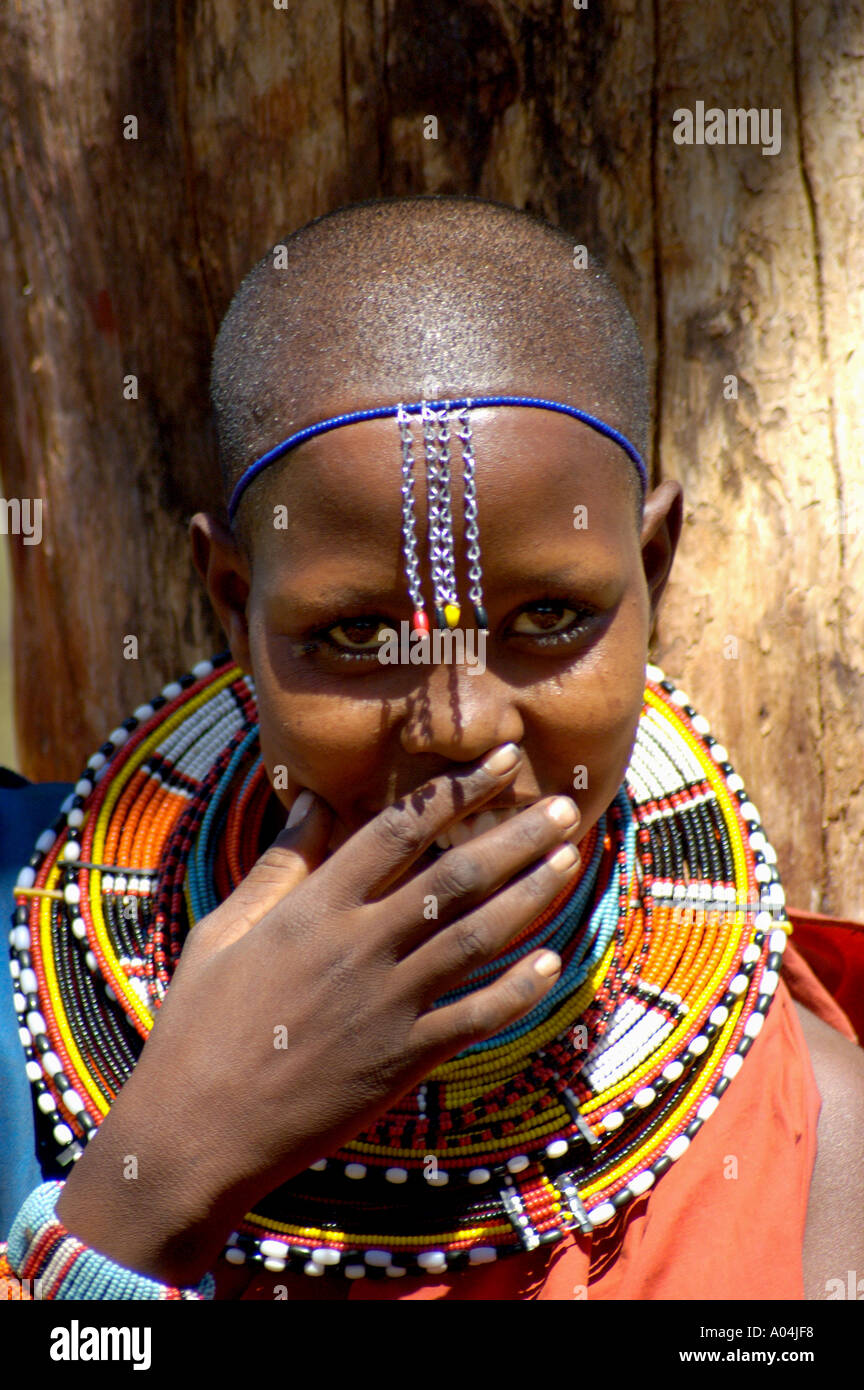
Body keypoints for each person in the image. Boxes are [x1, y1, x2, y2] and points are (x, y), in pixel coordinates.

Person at [1, 194, 862, 1301]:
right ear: (234, 602)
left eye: (551, 619)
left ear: (650, 571)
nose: (462, 730)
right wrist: (147, 1188)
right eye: (356, 636)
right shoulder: (22, 983)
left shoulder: (805, 1137)